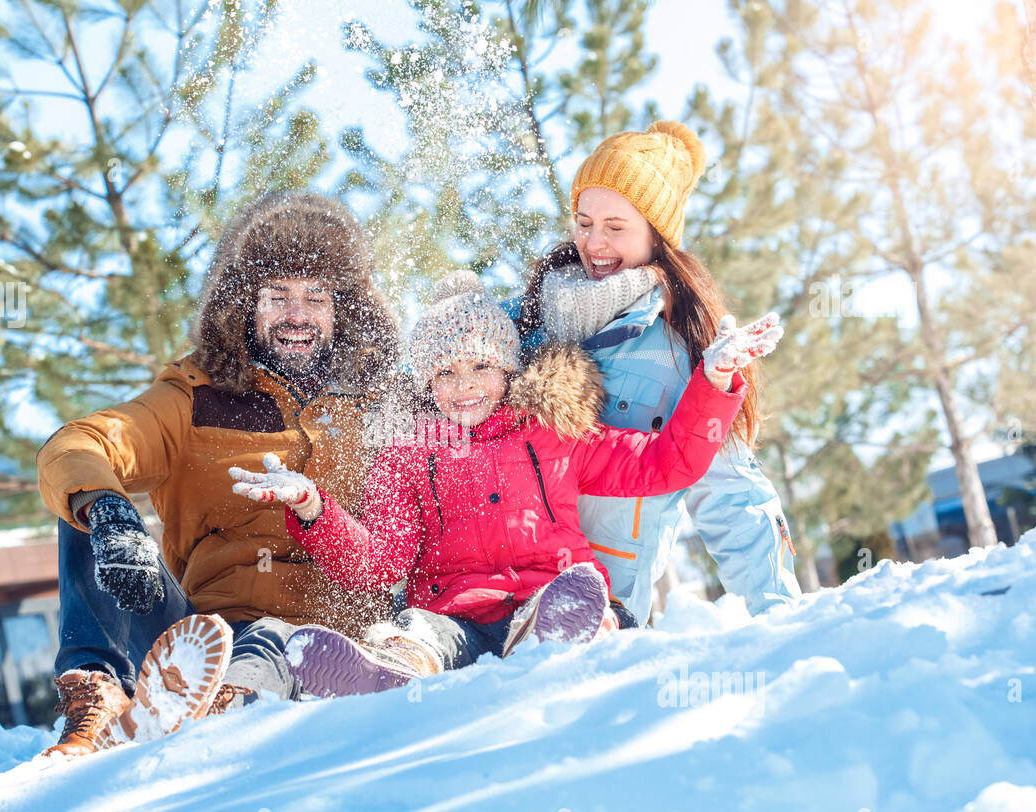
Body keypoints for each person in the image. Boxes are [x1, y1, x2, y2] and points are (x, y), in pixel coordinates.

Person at [229, 271, 782, 697]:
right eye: (444, 373)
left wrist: (713, 381)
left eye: (480, 368)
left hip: (549, 598)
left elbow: (668, 463)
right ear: (426, 383)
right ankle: (390, 669)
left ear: (508, 369)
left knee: (575, 598)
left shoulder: (555, 433)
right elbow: (380, 563)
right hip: (455, 620)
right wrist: (312, 508)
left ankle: (563, 634)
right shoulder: (408, 455)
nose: (464, 386)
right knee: (417, 632)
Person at [34, 191, 399, 755]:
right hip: (206, 642)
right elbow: (81, 443)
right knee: (86, 495)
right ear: (243, 305)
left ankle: (245, 700)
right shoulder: (194, 398)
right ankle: (102, 693)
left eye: (316, 297)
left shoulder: (384, 401)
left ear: (342, 308)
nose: (298, 316)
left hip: (342, 648)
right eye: (277, 296)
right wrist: (109, 513)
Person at [507, 121, 802, 627]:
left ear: (656, 236)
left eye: (616, 227)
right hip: (494, 585)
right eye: (583, 222)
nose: (593, 242)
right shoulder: (522, 323)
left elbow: (733, 496)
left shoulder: (683, 350)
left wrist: (779, 614)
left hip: (601, 608)